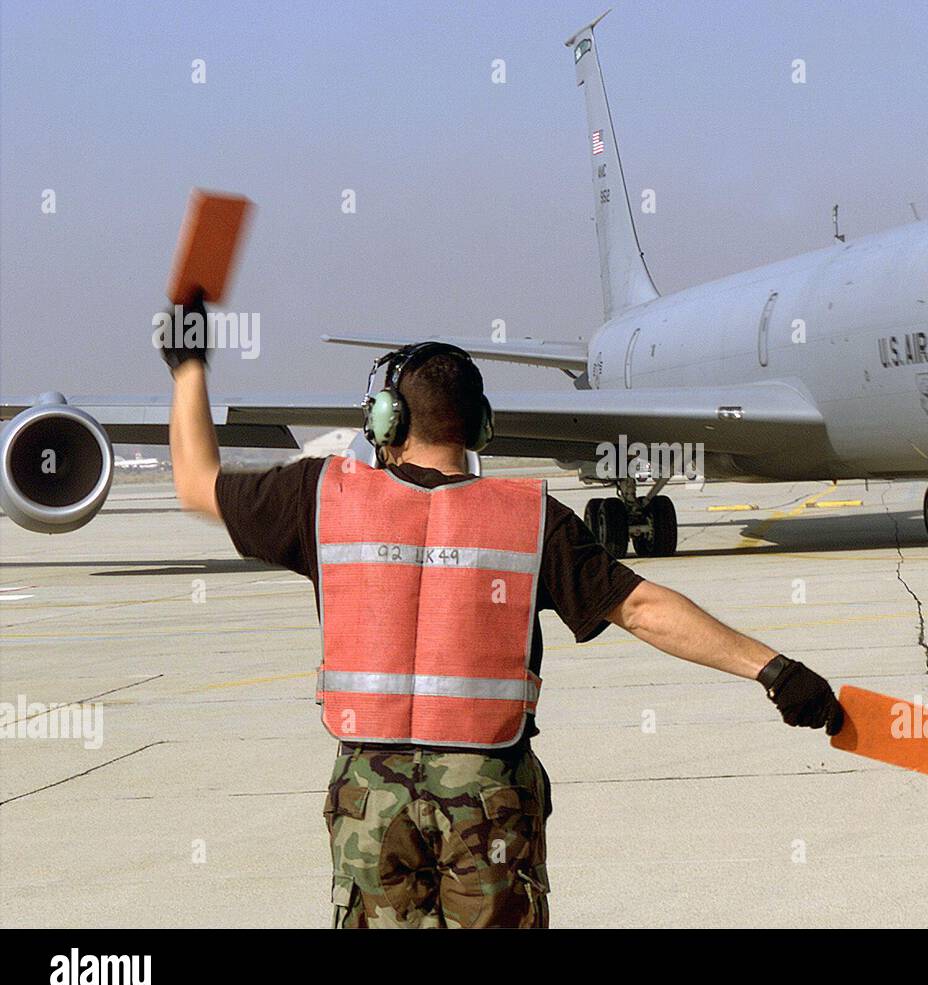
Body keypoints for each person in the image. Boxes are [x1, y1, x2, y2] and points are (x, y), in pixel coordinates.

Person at [161, 299, 843, 928]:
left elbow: (195, 482)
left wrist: (188, 367)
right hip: (487, 799)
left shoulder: (321, 498)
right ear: (483, 425)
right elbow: (641, 608)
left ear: (385, 420)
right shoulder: (530, 519)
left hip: (371, 801)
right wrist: (774, 670)